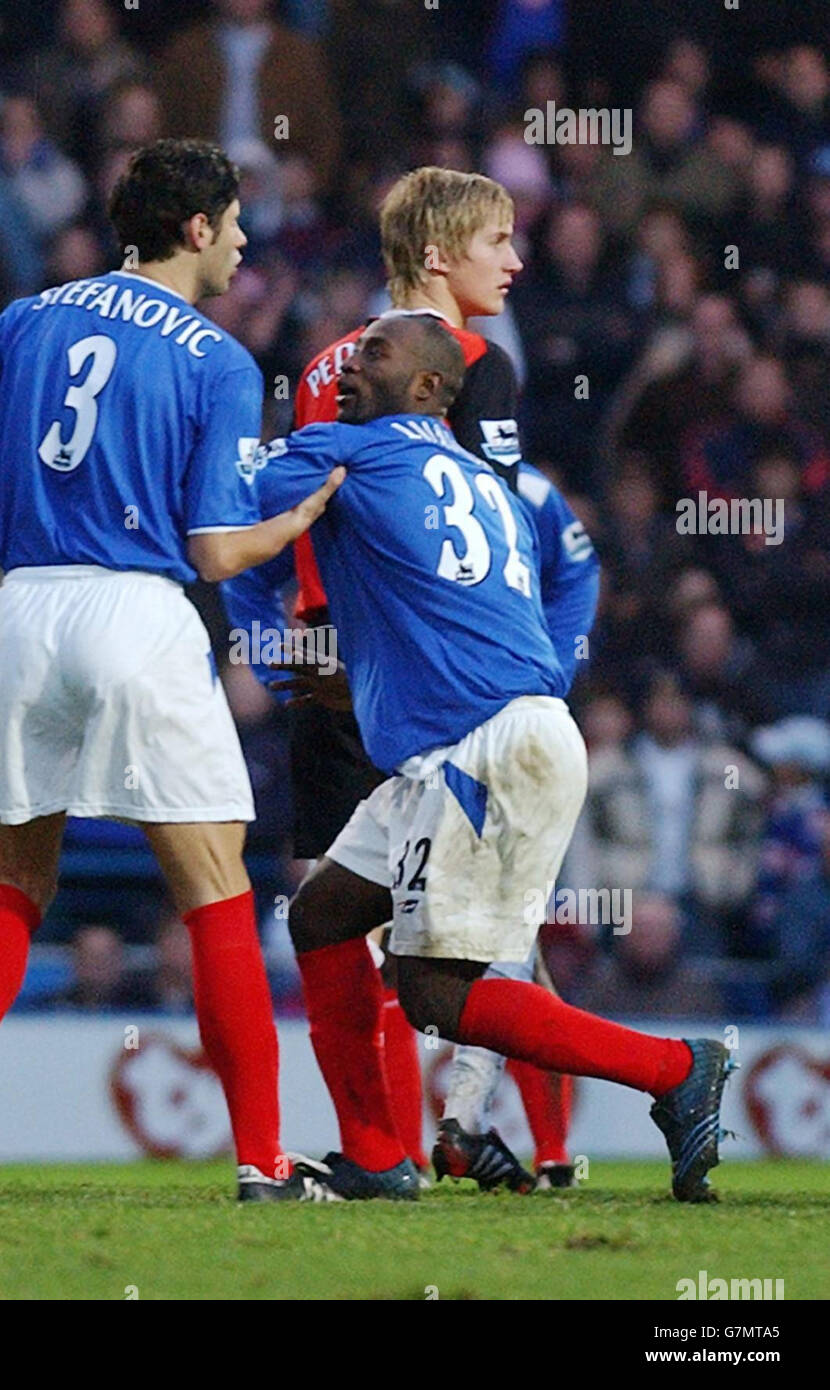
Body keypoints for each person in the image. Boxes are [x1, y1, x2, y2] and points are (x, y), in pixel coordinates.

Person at [0, 139, 343, 1201]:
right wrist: (297, 517)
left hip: (24, 608)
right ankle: (265, 1162)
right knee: (216, 892)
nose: (239, 240)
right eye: (230, 221)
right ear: (193, 230)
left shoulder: (37, 313)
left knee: (14, 880)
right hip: (135, 610)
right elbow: (218, 552)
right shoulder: (216, 358)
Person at [253, 312, 733, 1204]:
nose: (350, 367)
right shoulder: (486, 485)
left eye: (375, 355)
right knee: (321, 917)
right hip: (471, 739)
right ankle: (375, 1158)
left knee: (434, 988)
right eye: (353, 354)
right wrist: (357, 683)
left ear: (432, 390)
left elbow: (227, 498)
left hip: (486, 751)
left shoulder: (354, 452)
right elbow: (444, 629)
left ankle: (674, 1068)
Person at [224, 167, 599, 1191]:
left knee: (344, 922)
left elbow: (267, 528)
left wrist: (274, 645)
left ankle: (386, 1151)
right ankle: (521, 1140)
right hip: (440, 690)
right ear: (440, 254)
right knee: (488, 939)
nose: (514, 261)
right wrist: (534, 669)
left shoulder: (323, 369)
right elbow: (488, 540)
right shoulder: (465, 365)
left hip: (329, 672)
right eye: (497, 242)